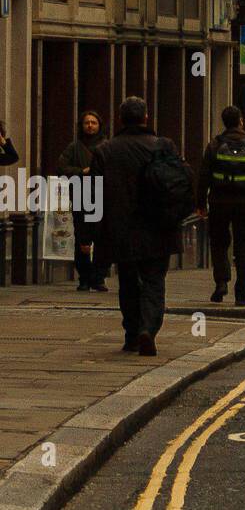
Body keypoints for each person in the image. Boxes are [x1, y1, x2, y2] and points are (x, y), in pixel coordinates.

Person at [90, 96, 183, 356]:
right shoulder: (164, 146)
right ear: (145, 118)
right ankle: (148, 329)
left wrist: (91, 233)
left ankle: (132, 335)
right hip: (158, 227)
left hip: (121, 230)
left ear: (120, 119)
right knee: (154, 281)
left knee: (128, 282)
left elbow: (93, 196)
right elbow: (179, 185)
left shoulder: (105, 151)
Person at [197, 105, 245, 307]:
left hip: (219, 202)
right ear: (241, 121)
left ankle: (221, 283)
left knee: (219, 244)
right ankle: (241, 293)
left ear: (224, 122)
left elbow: (204, 176)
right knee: (243, 246)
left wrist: (200, 203)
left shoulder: (214, 145)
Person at [57, 109, 108, 291]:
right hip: (81, 195)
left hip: (102, 197)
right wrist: (81, 172)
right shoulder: (74, 147)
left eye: (93, 122)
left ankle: (99, 276)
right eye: (87, 122)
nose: (90, 126)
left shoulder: (106, 146)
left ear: (99, 125)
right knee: (82, 238)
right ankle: (84, 277)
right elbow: (61, 167)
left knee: (102, 237)